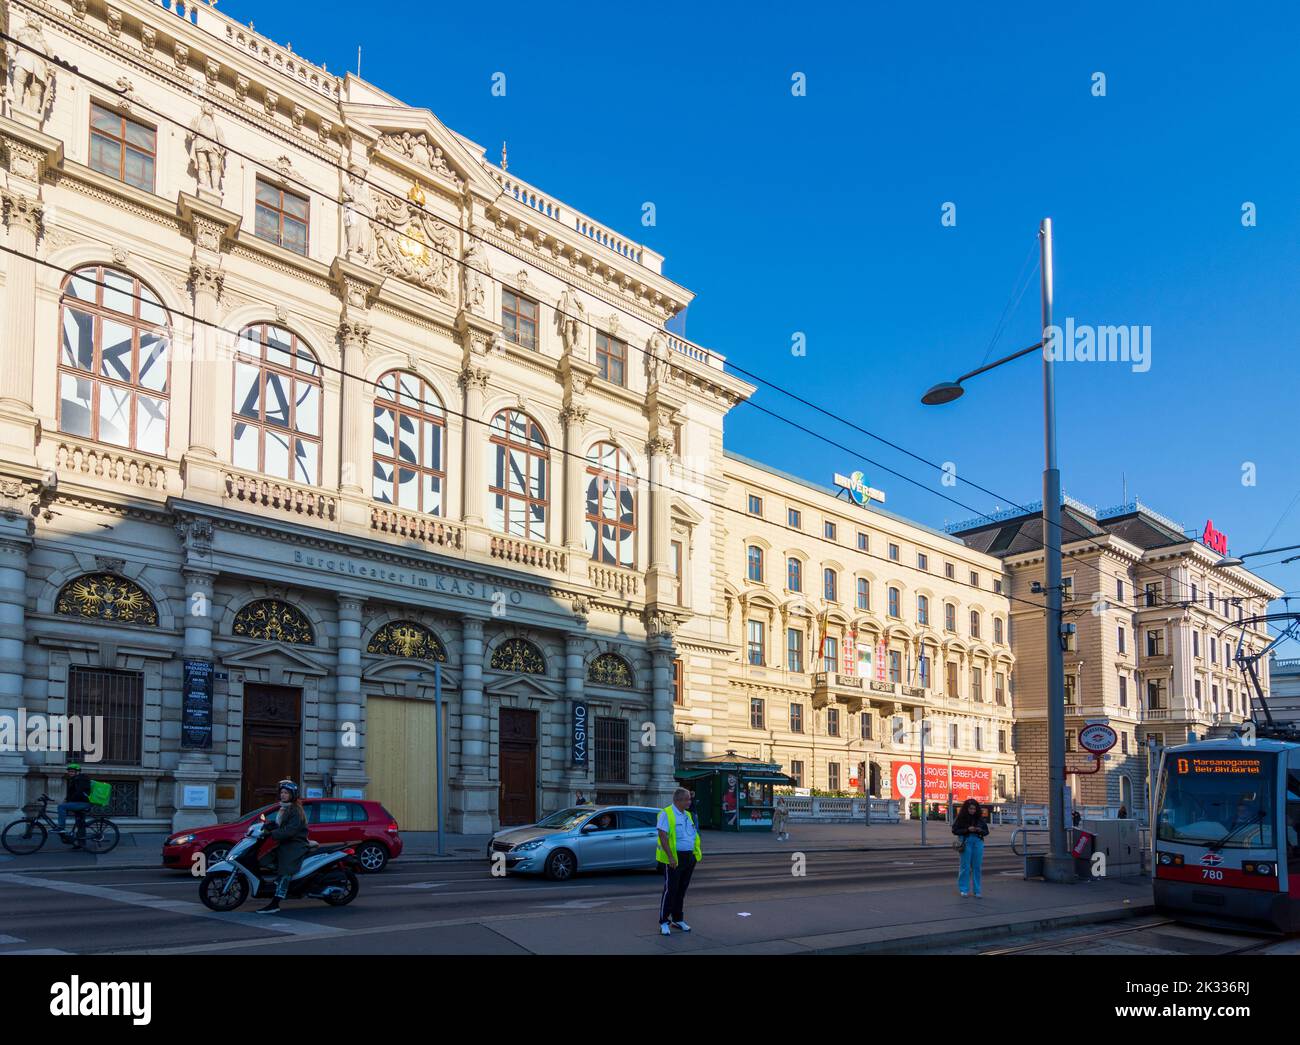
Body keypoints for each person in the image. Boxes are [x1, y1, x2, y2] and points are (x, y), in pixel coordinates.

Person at [257, 780, 310, 914]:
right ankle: (276, 883)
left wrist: (272, 833)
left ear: (293, 794)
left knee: (285, 871)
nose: (283, 795)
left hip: (295, 844)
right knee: (264, 860)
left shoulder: (296, 810)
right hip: (286, 843)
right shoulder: (284, 808)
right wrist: (268, 826)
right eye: (282, 792)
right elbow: (280, 824)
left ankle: (276, 902)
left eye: (286, 793)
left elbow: (290, 830)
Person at [657, 788, 703, 936]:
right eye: (687, 799)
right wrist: (670, 857)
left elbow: (692, 835)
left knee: (681, 890)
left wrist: (695, 855)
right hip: (674, 859)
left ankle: (677, 919)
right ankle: (664, 922)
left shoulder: (687, 815)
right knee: (671, 890)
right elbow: (663, 836)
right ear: (679, 800)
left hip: (689, 858)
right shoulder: (667, 813)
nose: (690, 802)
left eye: (689, 799)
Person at [952, 798, 990, 898]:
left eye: (974, 809)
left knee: (977, 867)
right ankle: (964, 889)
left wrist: (979, 830)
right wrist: (967, 830)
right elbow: (954, 830)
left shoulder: (979, 818)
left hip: (978, 841)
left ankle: (977, 891)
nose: (972, 811)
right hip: (966, 841)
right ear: (966, 808)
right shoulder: (961, 818)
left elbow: (986, 832)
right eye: (970, 809)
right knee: (965, 866)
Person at [56, 762, 93, 846]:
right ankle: (81, 843)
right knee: (80, 823)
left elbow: (79, 793)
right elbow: (72, 793)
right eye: (69, 771)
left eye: (72, 771)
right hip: (80, 802)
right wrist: (67, 799)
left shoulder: (81, 779)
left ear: (78, 772)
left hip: (83, 803)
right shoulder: (75, 779)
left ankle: (61, 827)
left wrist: (69, 801)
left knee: (61, 807)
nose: (70, 773)